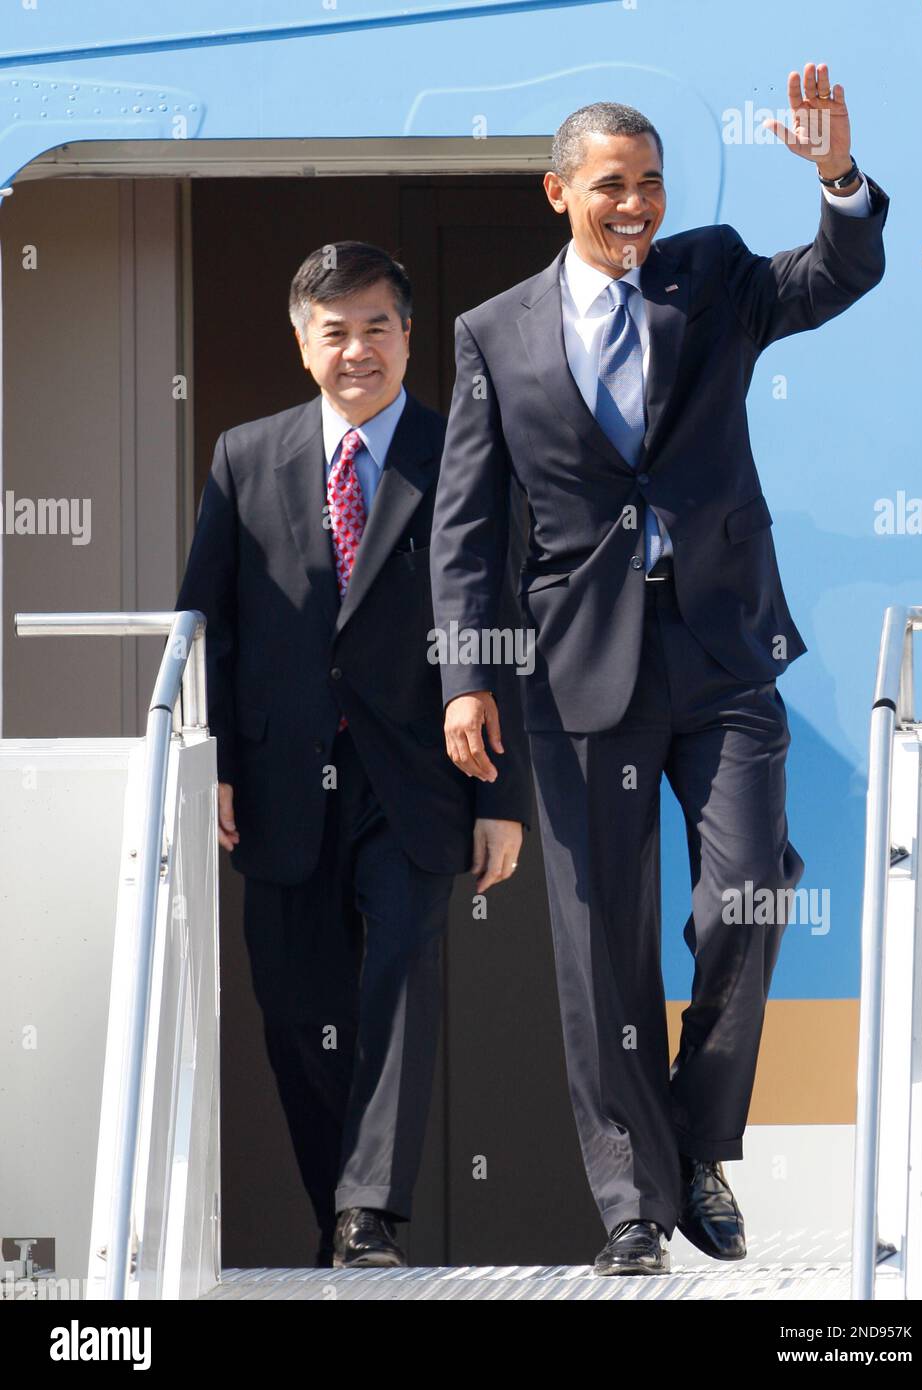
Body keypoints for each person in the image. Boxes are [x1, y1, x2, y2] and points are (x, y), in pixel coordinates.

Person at [429, 66, 888, 1275]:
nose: (632, 208)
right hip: (578, 663)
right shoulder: (492, 333)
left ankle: (696, 1138)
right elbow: (467, 522)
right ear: (556, 192)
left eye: (648, 185)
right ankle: (630, 1202)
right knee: (599, 943)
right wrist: (465, 675)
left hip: (723, 647)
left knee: (747, 886)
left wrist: (837, 180)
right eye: (607, 188)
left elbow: (834, 274)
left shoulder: (713, 273)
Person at [176, 240, 530, 1269]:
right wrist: (219, 762)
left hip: (418, 774)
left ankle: (367, 1209)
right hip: (281, 776)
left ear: (408, 336)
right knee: (294, 1006)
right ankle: (340, 1205)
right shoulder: (245, 456)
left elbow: (498, 622)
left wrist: (501, 793)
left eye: (379, 327)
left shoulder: (461, 446)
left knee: (400, 983)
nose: (359, 350)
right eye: (335, 331)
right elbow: (213, 617)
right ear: (301, 344)